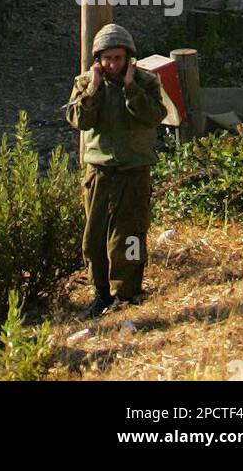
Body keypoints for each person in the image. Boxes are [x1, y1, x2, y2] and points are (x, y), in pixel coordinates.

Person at [65, 23, 166, 316]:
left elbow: (154, 116)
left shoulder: (146, 82)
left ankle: (127, 295)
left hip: (134, 170)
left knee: (129, 236)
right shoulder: (85, 83)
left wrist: (130, 88)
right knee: (93, 237)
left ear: (128, 58)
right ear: (98, 59)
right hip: (99, 171)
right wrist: (94, 89)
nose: (112, 64)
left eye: (118, 58)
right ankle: (100, 295)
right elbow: (78, 120)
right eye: (107, 59)